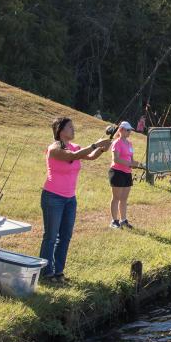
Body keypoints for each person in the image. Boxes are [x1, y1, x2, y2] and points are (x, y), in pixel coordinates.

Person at [40, 118, 110, 283]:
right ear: (59, 130)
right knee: (50, 236)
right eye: (70, 127)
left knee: (65, 236)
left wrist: (101, 149)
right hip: (53, 197)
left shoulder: (75, 146)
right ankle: (46, 273)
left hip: (70, 199)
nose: (73, 129)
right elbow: (72, 156)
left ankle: (58, 272)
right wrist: (95, 144)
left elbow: (90, 157)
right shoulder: (54, 148)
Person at [108, 121, 143, 229]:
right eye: (128, 130)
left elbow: (131, 160)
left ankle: (123, 220)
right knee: (116, 198)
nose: (129, 132)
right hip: (117, 172)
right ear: (121, 130)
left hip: (127, 173)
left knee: (124, 198)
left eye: (130, 130)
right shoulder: (116, 143)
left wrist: (139, 165)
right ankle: (114, 221)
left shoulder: (129, 143)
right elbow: (116, 159)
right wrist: (130, 164)